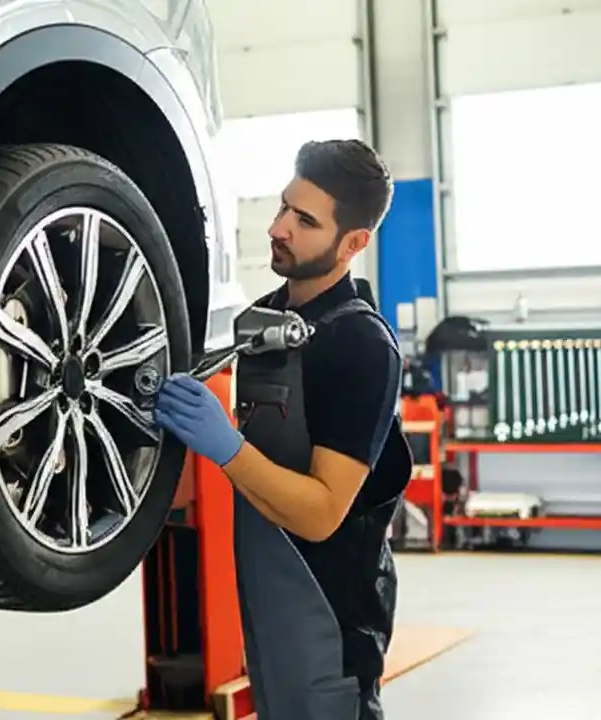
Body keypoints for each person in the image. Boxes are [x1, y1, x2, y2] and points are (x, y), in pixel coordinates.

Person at [154, 139, 412, 719]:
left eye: (305, 220)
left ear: (354, 243)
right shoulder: (266, 320)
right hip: (271, 602)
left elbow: (321, 514)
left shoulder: (363, 348)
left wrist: (226, 447)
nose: (279, 228)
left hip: (331, 617)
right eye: (282, 208)